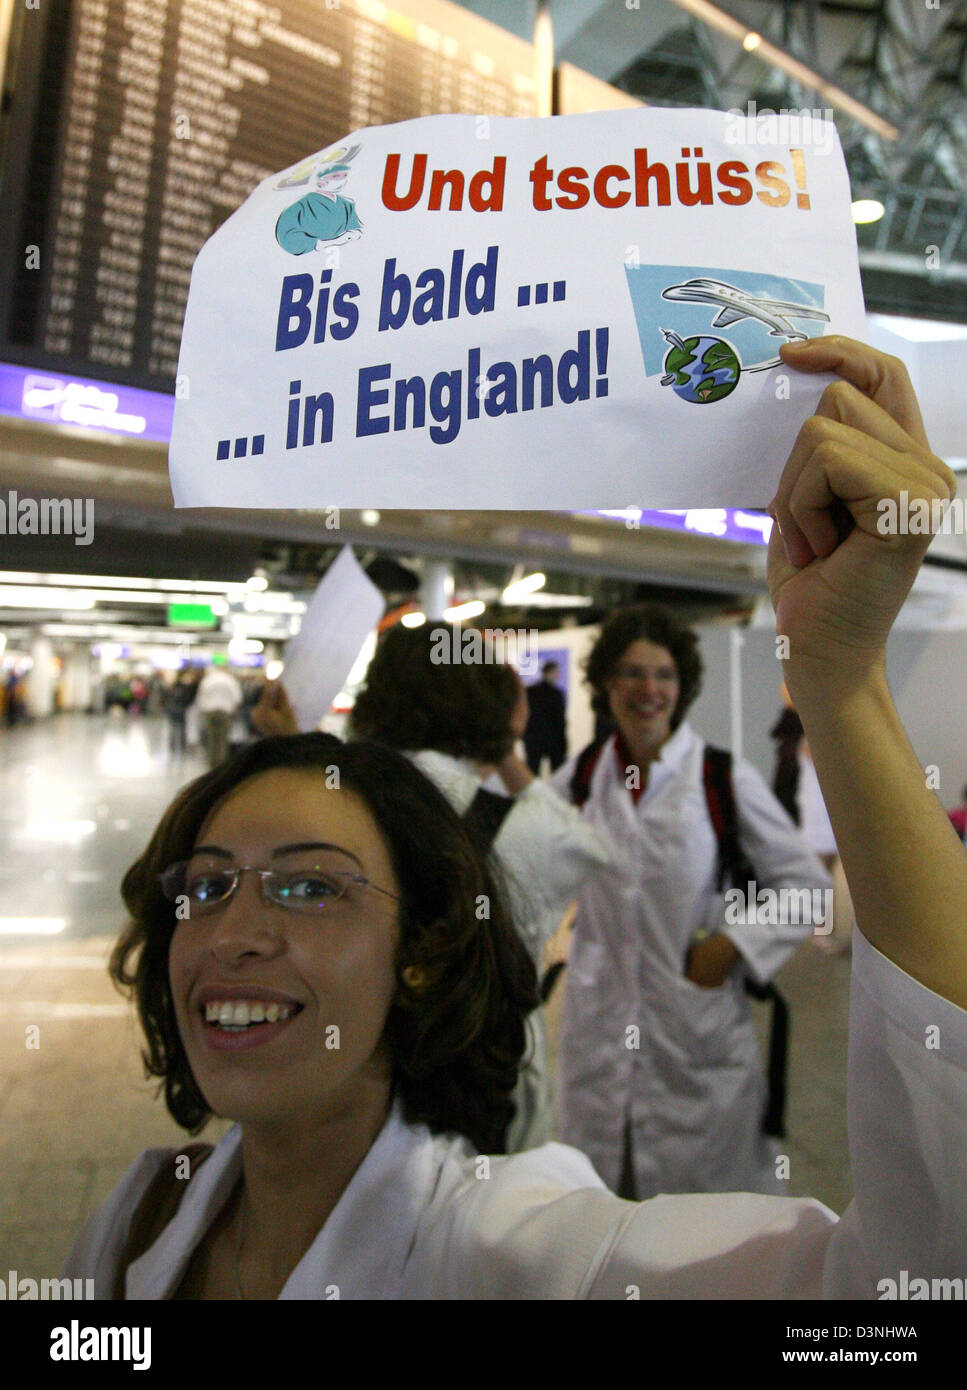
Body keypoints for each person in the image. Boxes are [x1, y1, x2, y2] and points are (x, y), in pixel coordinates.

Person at [62, 338, 967, 1299]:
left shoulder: (508, 1255)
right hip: (588, 1064)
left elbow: (902, 1294)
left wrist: (840, 686)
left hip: (686, 1064)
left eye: (308, 885)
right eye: (206, 885)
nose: (236, 930)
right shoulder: (130, 1231)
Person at [253, 624, 612, 1150]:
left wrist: (285, 743)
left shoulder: (336, 800)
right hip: (482, 1103)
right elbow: (587, 847)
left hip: (346, 1083)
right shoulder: (517, 828)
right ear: (486, 704)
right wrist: (505, 745)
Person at [549, 598, 831, 1199]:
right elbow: (525, 876)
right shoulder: (577, 780)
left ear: (682, 685)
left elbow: (808, 886)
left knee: (703, 1231)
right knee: (602, 1212)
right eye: (632, 671)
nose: (648, 688)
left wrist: (733, 944)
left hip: (693, 1035)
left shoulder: (720, 778)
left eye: (664, 674)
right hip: (597, 1033)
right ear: (605, 683)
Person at [195, 664, 243, 770]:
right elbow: (238, 699)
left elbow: (200, 698)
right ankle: (221, 765)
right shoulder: (230, 680)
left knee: (212, 739)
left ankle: (211, 764)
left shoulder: (208, 680)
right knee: (223, 739)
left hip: (210, 712)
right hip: (225, 712)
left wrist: (203, 711)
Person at [523, 661, 568, 773]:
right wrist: (563, 742)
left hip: (534, 740)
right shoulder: (556, 694)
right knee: (556, 774)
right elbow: (560, 720)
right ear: (551, 672)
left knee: (532, 773)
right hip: (553, 741)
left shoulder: (530, 691)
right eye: (557, 672)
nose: (558, 675)